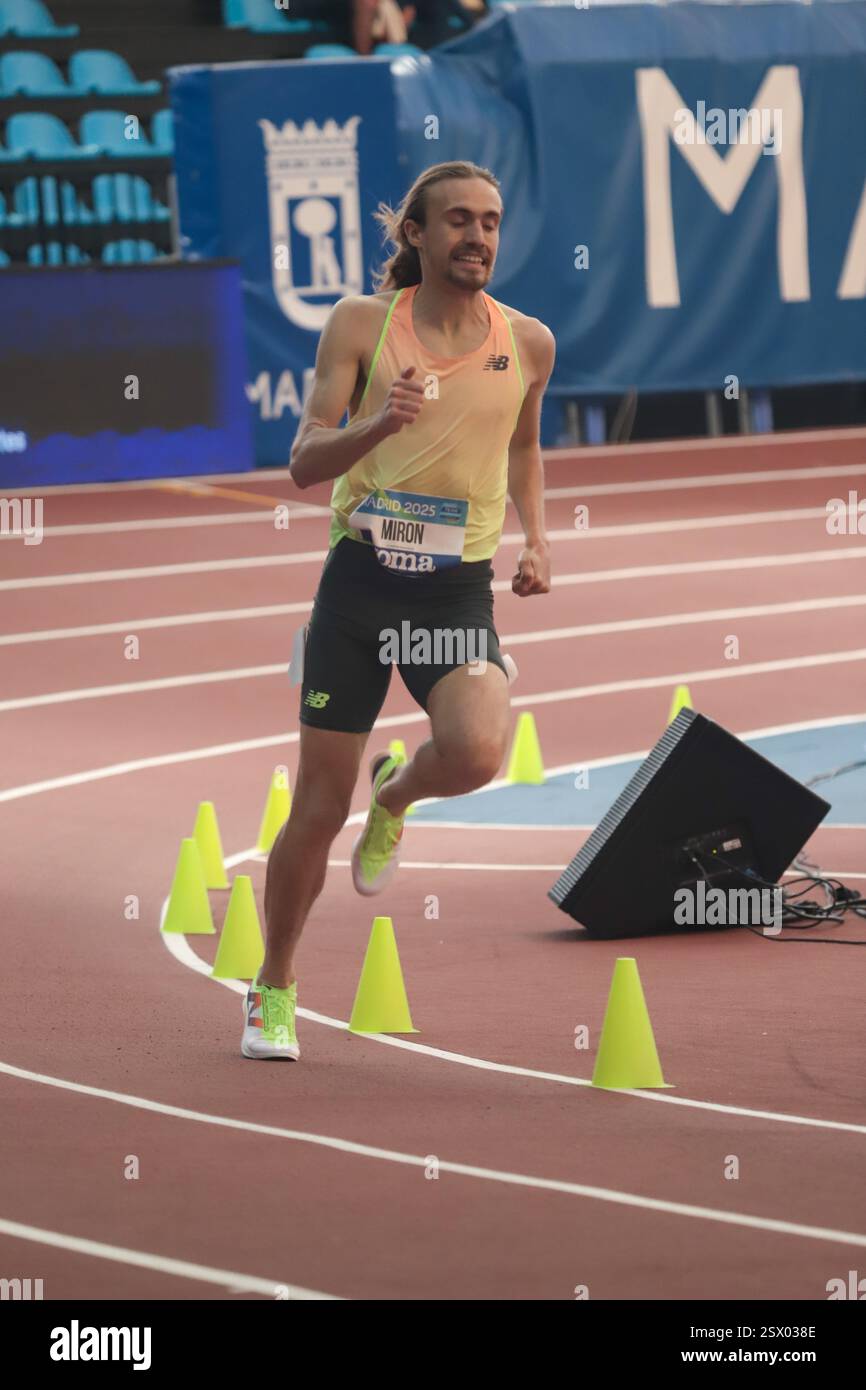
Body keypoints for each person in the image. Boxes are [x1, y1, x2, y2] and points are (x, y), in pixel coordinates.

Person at [242, 160, 555, 1060]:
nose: (478, 237)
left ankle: (399, 794)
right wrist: (380, 424)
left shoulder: (527, 341)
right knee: (315, 804)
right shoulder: (360, 325)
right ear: (415, 234)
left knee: (477, 752)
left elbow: (525, 445)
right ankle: (274, 986)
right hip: (361, 579)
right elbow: (303, 463)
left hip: (455, 584)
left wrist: (539, 539)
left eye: (491, 221)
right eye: (458, 220)